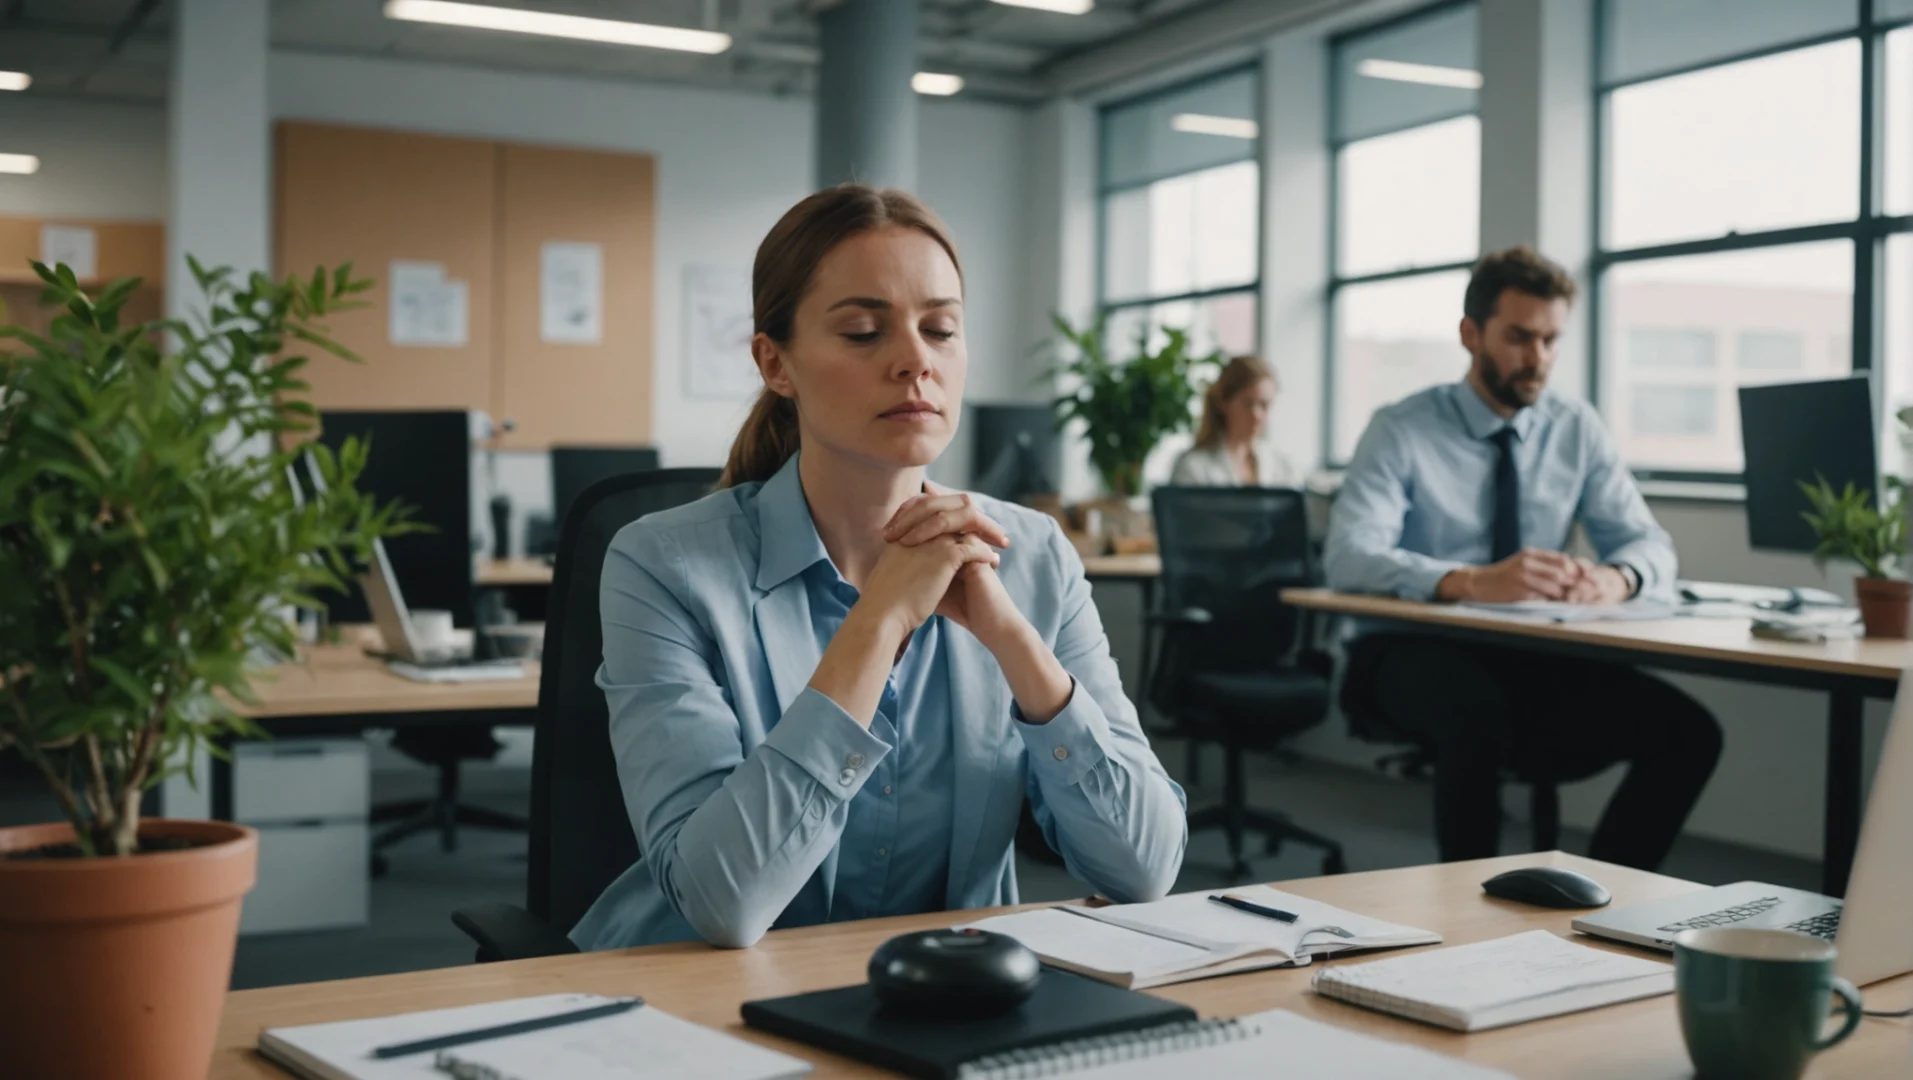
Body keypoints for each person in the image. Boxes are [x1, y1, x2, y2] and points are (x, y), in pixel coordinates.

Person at [569, 185, 1188, 951]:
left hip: (942, 991)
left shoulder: (1030, 555)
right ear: (774, 363)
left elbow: (1145, 869)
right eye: (863, 332)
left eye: (941, 329)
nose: (916, 360)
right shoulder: (663, 563)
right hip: (693, 993)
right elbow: (721, 903)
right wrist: (880, 620)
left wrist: (1013, 641)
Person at [1323, 246, 1721, 871]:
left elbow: (1649, 545)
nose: (1537, 358)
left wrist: (1618, 578)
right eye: (1518, 337)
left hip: (1532, 653)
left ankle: (1608, 897)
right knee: (1475, 713)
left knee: (1689, 733)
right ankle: (1463, 915)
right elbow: (1348, 557)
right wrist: (1469, 581)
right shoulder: (1402, 428)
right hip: (1407, 647)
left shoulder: (1575, 427)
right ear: (1470, 334)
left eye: (1550, 340)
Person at [1169, 355, 1296, 487]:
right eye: (1248, 404)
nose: (1256, 415)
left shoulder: (1283, 467)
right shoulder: (1192, 467)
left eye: (1264, 405)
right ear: (1223, 402)